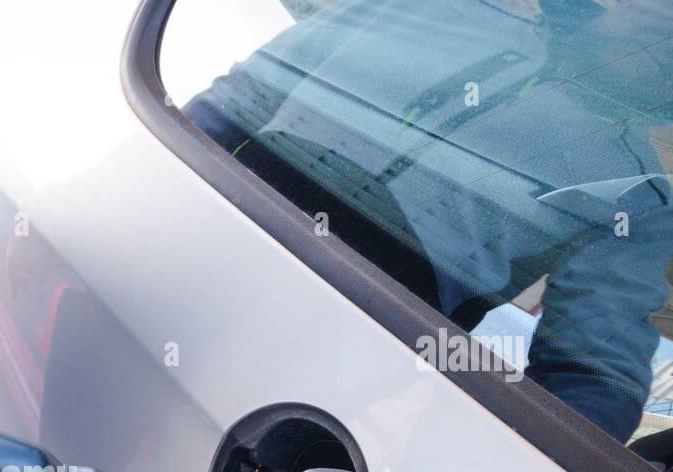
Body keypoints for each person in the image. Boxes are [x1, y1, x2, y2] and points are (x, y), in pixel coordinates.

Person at [183, 0, 673, 442]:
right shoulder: (436, 6)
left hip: (368, 326)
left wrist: (543, 468)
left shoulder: (639, 197)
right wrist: (163, 174)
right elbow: (235, 99)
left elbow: (595, 369)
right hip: (213, 212)